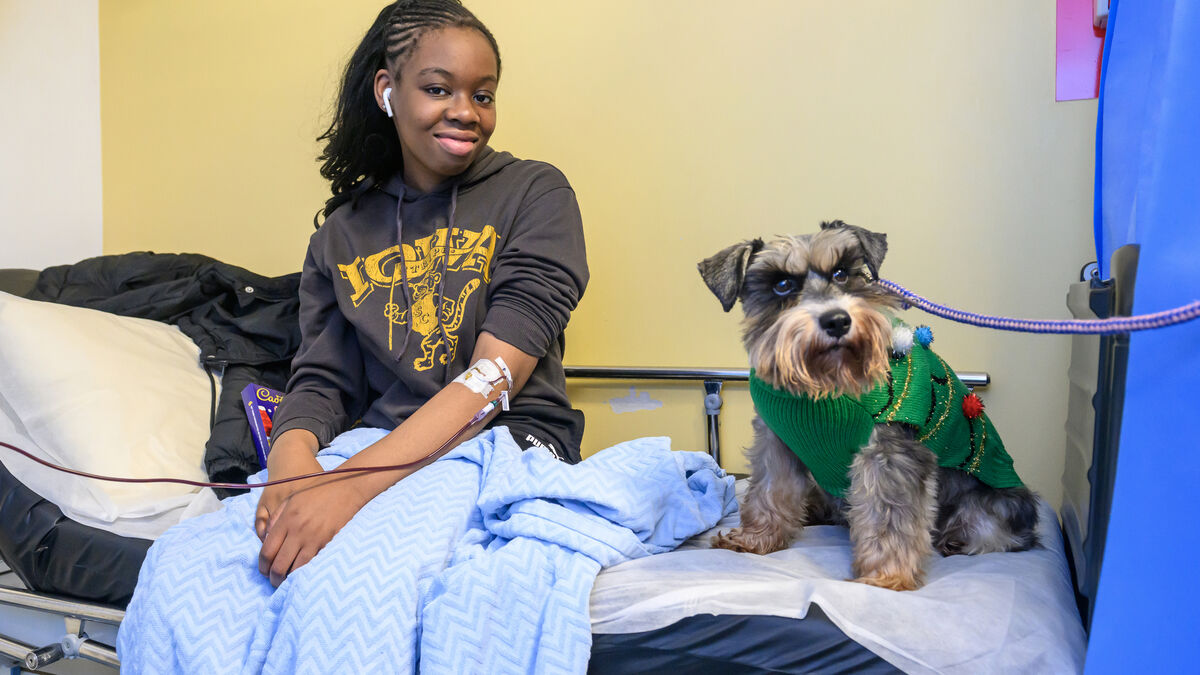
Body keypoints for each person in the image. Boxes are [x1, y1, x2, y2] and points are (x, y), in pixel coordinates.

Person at [253, 0, 588, 587]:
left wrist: (346, 490)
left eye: (483, 96)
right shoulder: (340, 234)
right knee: (215, 560)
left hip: (510, 442)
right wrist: (291, 465)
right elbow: (323, 383)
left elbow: (495, 377)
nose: (466, 112)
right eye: (439, 89)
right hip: (377, 447)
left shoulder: (536, 193)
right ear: (388, 91)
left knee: (356, 572)